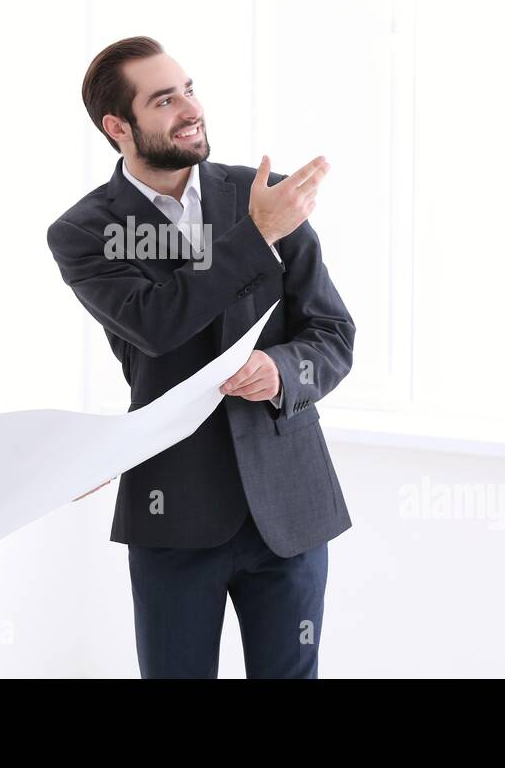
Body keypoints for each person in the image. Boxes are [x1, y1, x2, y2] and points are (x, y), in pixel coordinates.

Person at [47, 36, 355, 678]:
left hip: (288, 504)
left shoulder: (258, 194)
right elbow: (157, 323)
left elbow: (331, 333)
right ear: (118, 127)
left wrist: (281, 372)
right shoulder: (85, 230)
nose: (190, 109)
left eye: (189, 89)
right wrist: (257, 235)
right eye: (164, 100)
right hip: (174, 511)